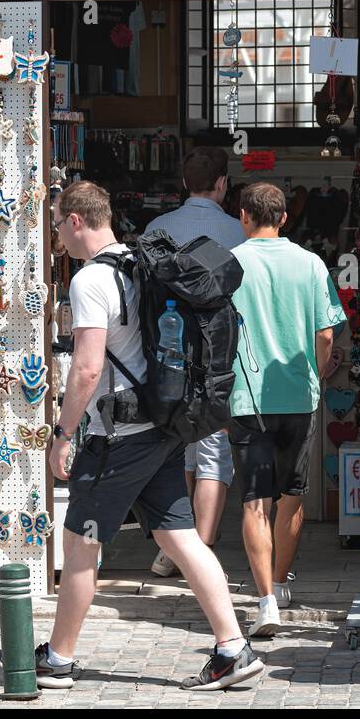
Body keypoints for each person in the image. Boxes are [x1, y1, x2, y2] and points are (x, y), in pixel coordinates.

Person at [3, 181, 263, 691]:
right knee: (180, 537)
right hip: (161, 427)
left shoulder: (90, 281)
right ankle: (233, 648)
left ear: (76, 221)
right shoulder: (141, 262)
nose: (57, 236)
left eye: (57, 224)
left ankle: (57, 659)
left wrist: (62, 434)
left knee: (81, 542)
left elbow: (85, 368)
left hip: (117, 439)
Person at [229, 182, 346, 638]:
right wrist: (314, 376)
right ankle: (279, 583)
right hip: (298, 394)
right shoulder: (312, 263)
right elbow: (326, 335)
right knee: (291, 497)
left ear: (242, 216)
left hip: (247, 396)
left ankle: (265, 602)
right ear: (284, 218)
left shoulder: (231, 263)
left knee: (254, 499)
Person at [143, 146, 245, 578]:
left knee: (176, 450)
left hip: (167, 351)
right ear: (222, 184)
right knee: (212, 449)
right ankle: (200, 548)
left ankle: (174, 549)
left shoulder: (157, 227)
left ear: (185, 183)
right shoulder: (236, 231)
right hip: (218, 351)